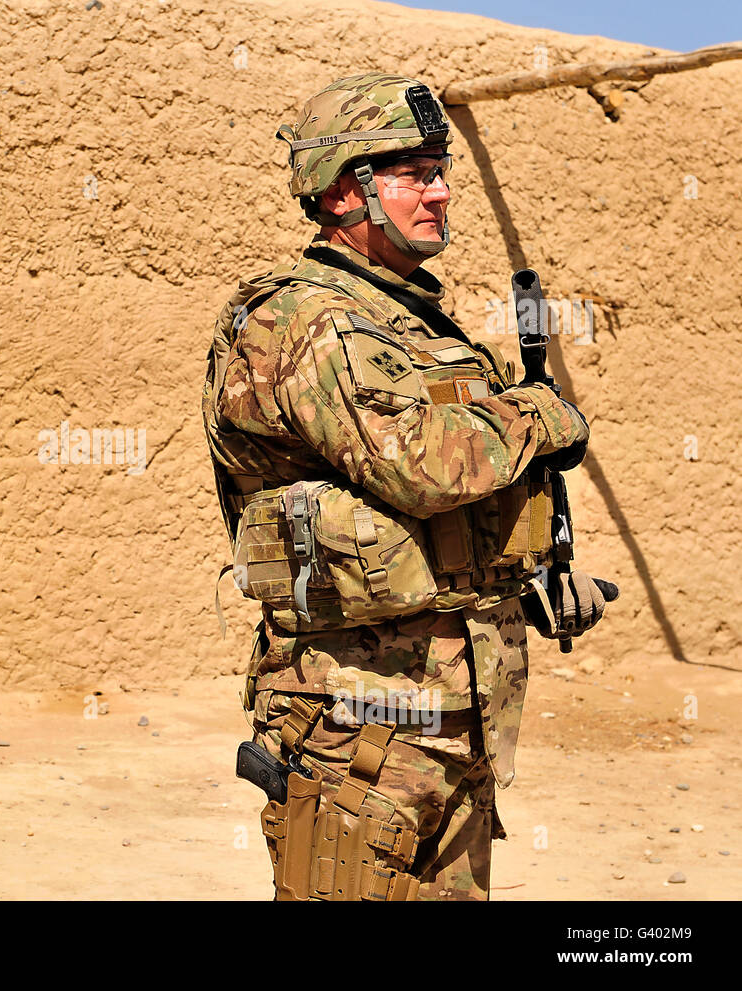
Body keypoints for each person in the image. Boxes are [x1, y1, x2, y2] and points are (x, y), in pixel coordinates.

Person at [202, 73, 615, 900]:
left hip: (455, 711)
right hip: (361, 726)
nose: (441, 192)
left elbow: (455, 512)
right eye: (415, 174)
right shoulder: (307, 321)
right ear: (346, 191)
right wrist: (541, 413)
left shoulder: (411, 322)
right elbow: (425, 466)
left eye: (443, 169)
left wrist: (524, 581)